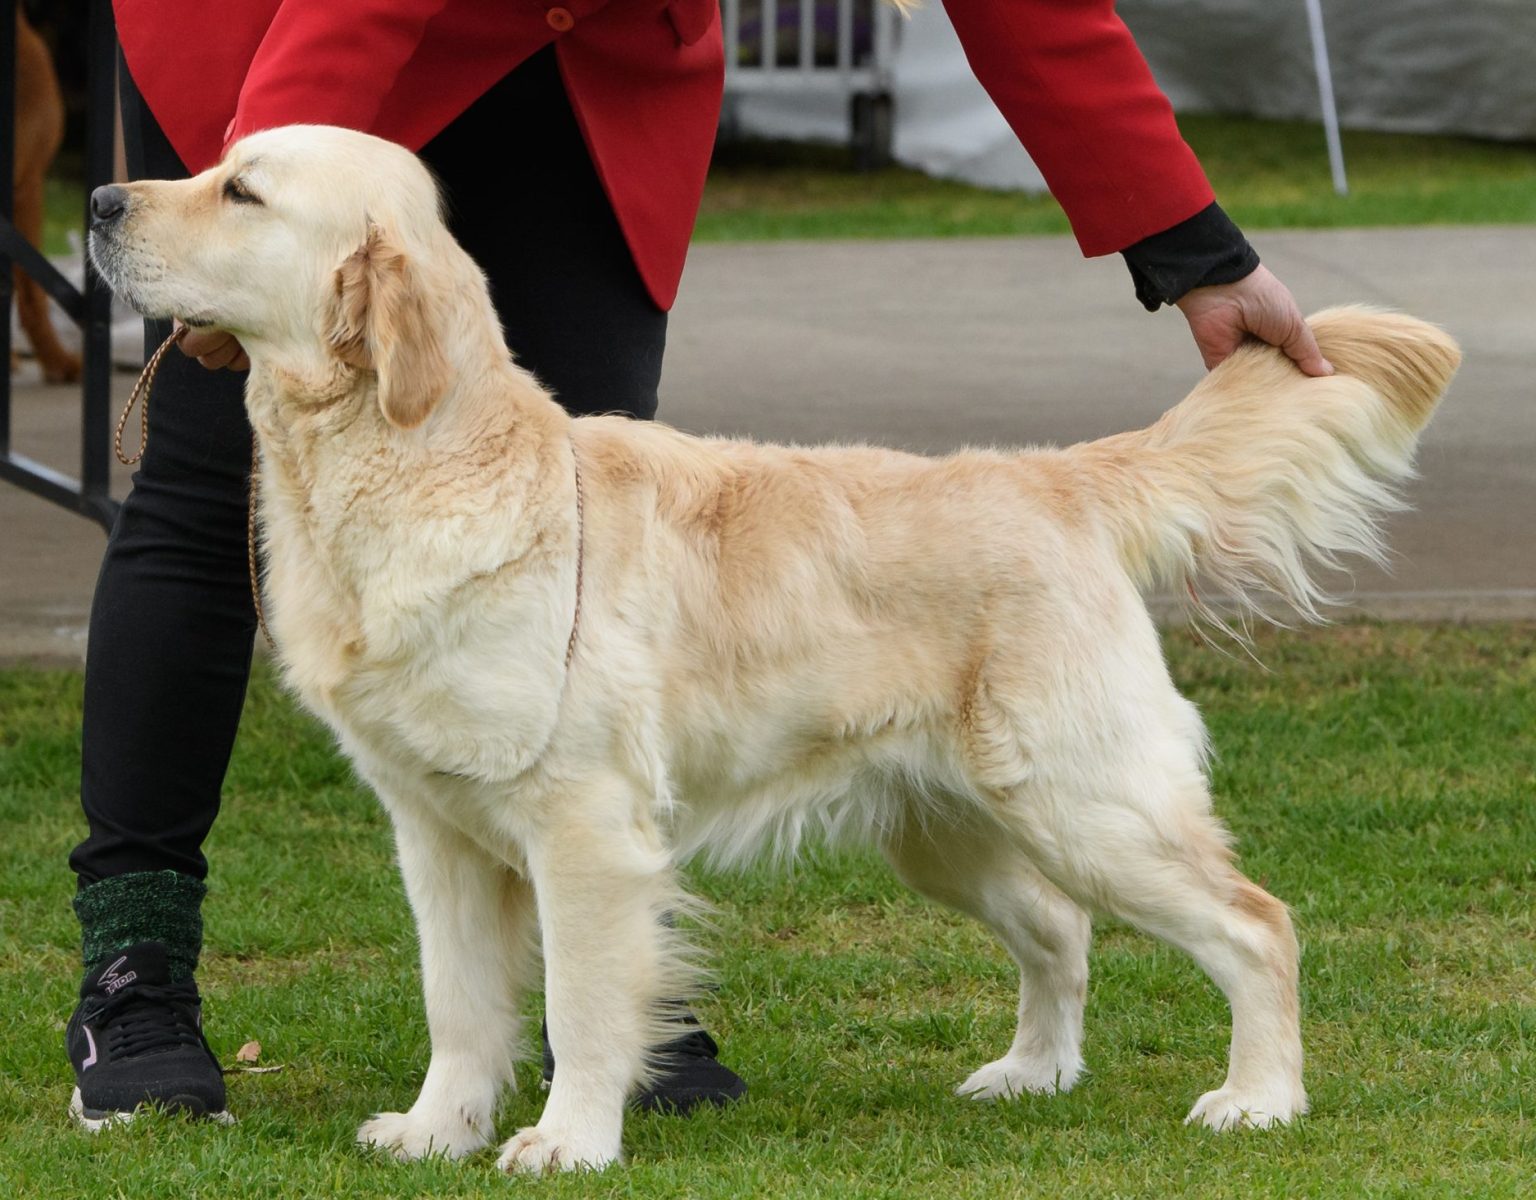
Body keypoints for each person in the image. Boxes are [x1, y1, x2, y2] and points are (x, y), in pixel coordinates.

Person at [66, 0, 1331, 1130]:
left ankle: (607, 1031)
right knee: (193, 497)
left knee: (592, 606)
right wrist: (251, 224)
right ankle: (138, 976)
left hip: (592, 65)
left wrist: (1189, 245)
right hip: (297, 45)